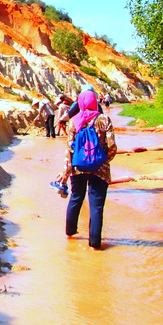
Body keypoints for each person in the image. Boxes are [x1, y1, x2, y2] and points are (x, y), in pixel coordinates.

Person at [57, 87, 117, 250]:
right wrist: (103, 161)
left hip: (78, 168)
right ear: (94, 101)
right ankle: (94, 244)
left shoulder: (74, 122)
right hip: (100, 169)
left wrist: (66, 171)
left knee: (76, 198)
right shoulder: (104, 120)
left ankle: (70, 233)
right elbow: (112, 146)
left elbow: (69, 149)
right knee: (96, 206)